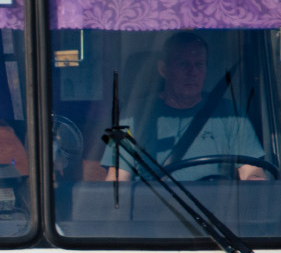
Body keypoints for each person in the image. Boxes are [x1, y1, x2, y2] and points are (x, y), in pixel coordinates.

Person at [103, 31, 268, 182]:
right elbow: (118, 177)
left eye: (199, 64)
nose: (192, 72)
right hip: (153, 204)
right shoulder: (135, 115)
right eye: (183, 64)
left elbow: (252, 170)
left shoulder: (230, 113)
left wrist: (256, 181)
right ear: (163, 69)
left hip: (215, 204)